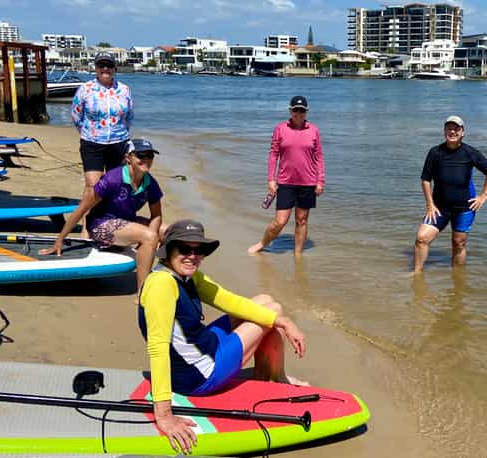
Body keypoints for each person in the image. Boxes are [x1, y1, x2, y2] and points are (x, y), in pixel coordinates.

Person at [140, 219, 307, 453]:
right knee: (273, 311)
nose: (192, 256)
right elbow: (157, 348)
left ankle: (270, 374)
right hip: (198, 375)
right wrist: (165, 415)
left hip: (202, 347)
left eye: (199, 250)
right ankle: (275, 378)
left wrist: (284, 323)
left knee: (265, 301)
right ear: (169, 250)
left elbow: (228, 300)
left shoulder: (184, 276)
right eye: (185, 249)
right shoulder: (162, 285)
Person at [41, 138, 163, 294]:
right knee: (150, 236)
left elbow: (157, 216)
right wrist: (60, 239)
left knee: (170, 232)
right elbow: (81, 209)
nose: (146, 160)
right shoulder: (113, 179)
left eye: (150, 156)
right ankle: (143, 292)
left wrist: (149, 241)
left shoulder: (150, 183)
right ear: (128, 158)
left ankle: (163, 276)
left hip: (127, 222)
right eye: (141, 155)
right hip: (101, 225)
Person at [413, 116, 487, 272]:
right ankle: (417, 275)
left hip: (464, 208)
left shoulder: (470, 153)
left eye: (456, 129)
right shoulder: (435, 153)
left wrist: (484, 195)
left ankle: (458, 280)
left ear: (463, 132)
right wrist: (430, 205)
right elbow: (425, 180)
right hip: (439, 208)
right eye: (449, 128)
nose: (452, 131)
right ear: (444, 131)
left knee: (459, 243)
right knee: (421, 239)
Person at [248, 95, 325, 256]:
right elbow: (273, 155)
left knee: (301, 220)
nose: (298, 113)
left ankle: (297, 255)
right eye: (295, 110)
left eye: (302, 110)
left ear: (306, 112)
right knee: (280, 221)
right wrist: (271, 179)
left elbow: (319, 157)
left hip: (308, 182)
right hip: (285, 182)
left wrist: (320, 181)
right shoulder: (280, 128)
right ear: (290, 111)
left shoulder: (314, 130)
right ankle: (262, 244)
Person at [71, 51, 134, 232]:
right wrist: (90, 132)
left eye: (108, 65)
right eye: (101, 65)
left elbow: (129, 116)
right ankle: (87, 225)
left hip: (119, 142)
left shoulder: (124, 89)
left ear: (115, 68)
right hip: (92, 142)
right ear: (96, 68)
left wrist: (119, 133)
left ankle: (110, 224)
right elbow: (76, 115)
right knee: (93, 185)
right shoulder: (86, 89)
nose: (105, 69)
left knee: (116, 186)